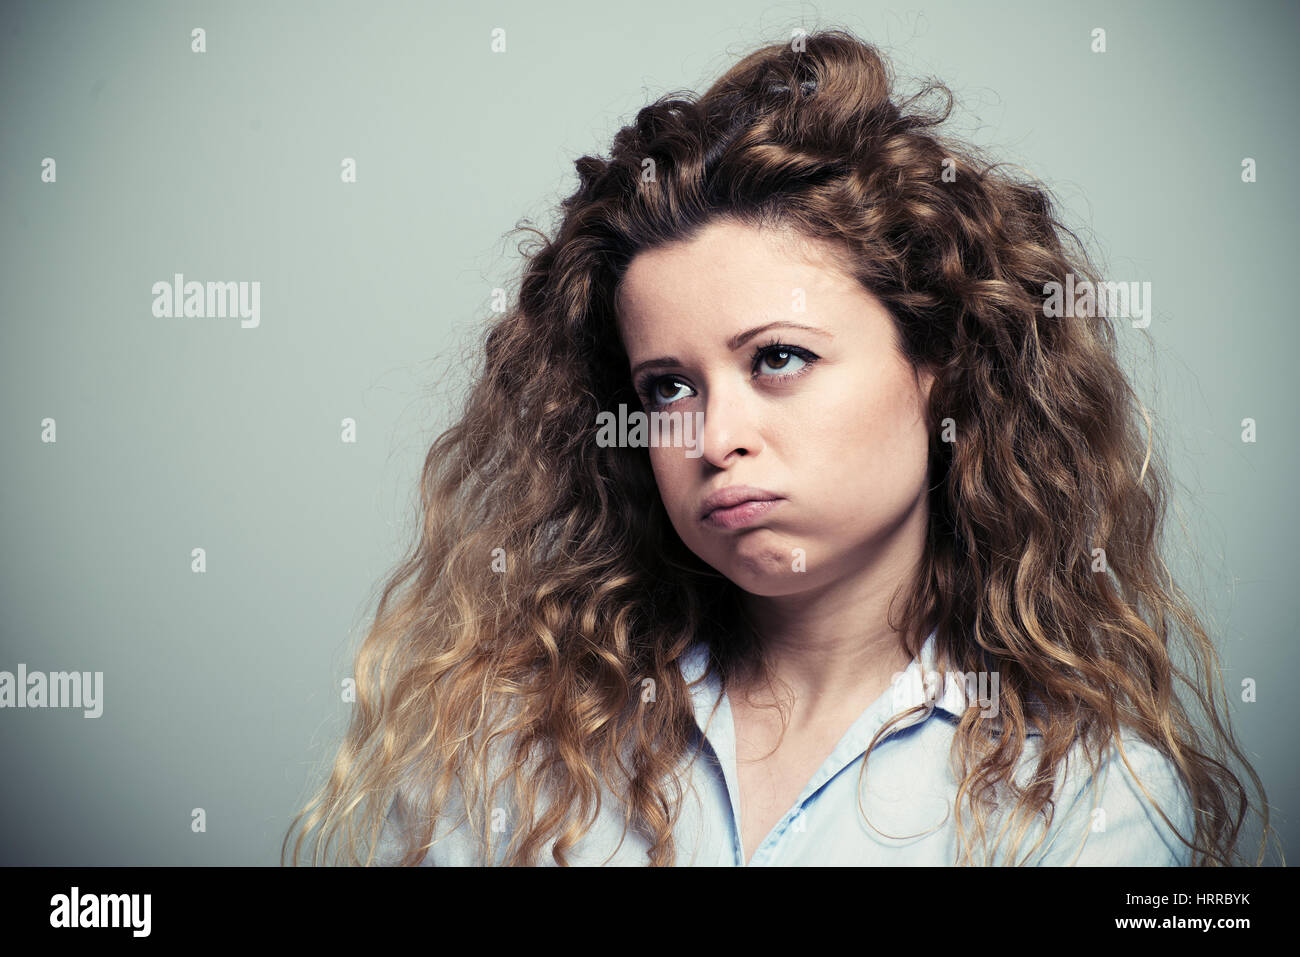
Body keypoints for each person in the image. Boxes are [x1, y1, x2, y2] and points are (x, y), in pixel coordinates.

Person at [283, 29, 1273, 866]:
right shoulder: (501, 748)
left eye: (779, 359)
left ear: (938, 365)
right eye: (665, 388)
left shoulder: (1091, 796)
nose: (715, 439)